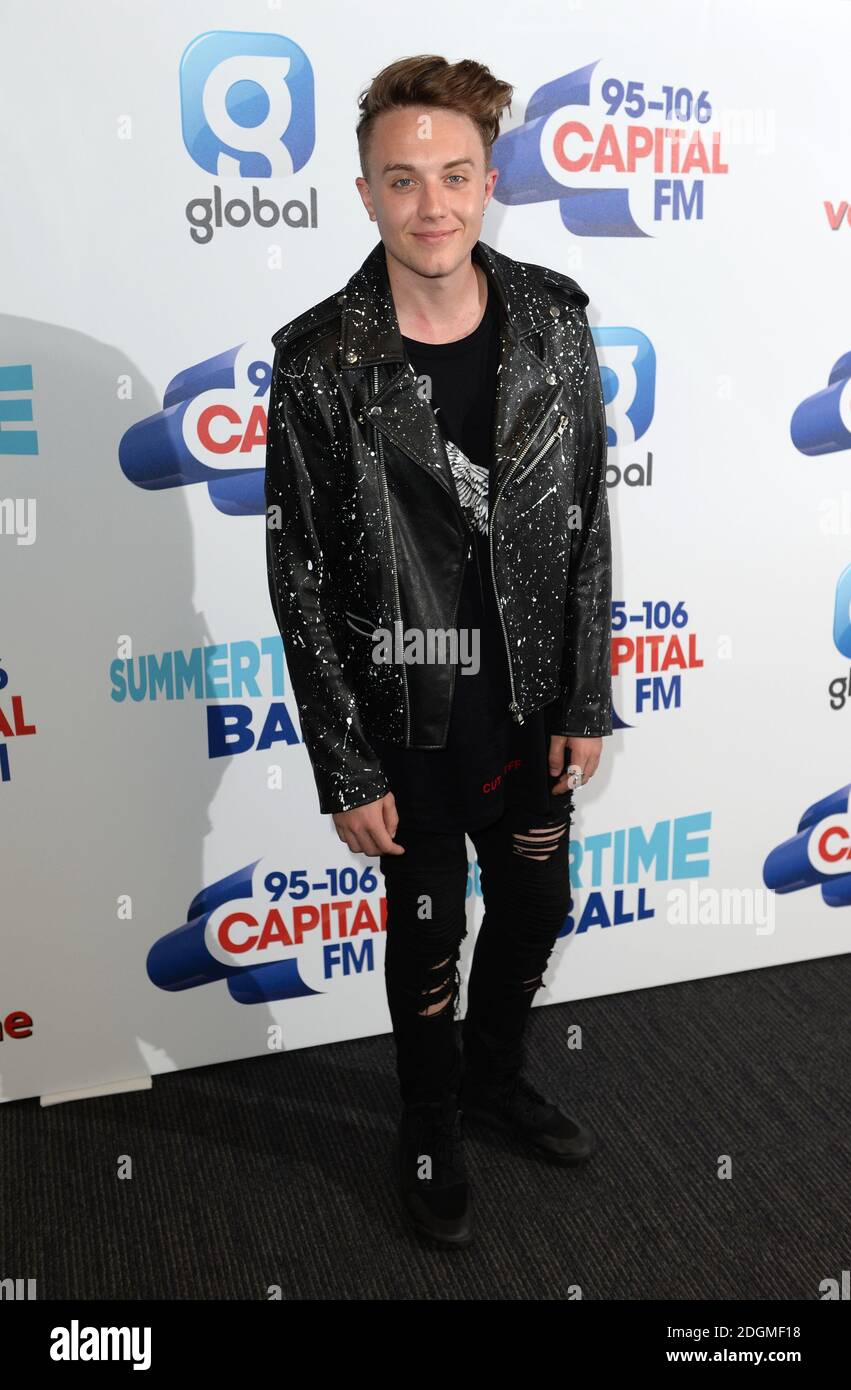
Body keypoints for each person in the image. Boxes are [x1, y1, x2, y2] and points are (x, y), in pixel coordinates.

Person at [265, 54, 613, 1249]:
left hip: (524, 708)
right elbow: (298, 573)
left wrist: (583, 691)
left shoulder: (557, 324)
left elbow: (584, 519)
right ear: (363, 192)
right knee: (422, 935)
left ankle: (492, 1075)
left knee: (532, 907)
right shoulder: (316, 360)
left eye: (454, 175)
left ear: (488, 179)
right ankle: (427, 1122)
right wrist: (342, 765)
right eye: (402, 180)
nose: (432, 206)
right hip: (403, 717)